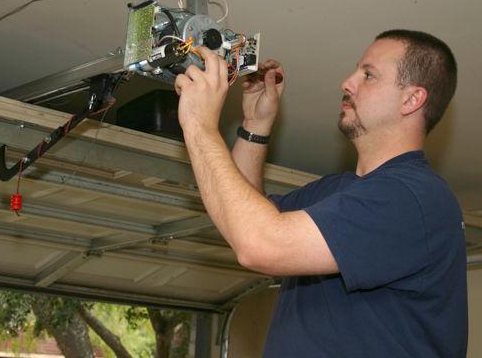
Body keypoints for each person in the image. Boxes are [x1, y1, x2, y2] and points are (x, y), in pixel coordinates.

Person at [174, 29, 467, 357]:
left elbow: (259, 245)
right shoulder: (337, 192)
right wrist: (256, 124)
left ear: (412, 99)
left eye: (368, 75)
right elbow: (239, 219)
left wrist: (199, 124)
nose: (347, 81)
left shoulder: (414, 198)